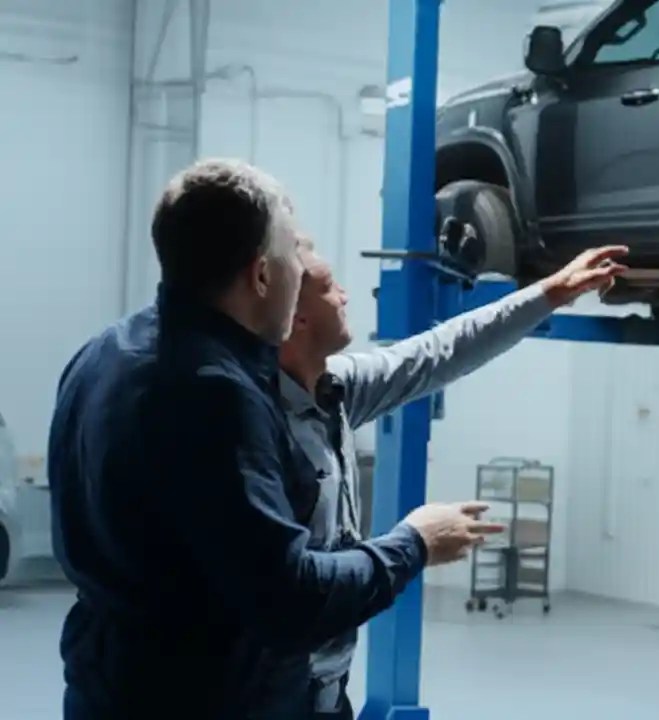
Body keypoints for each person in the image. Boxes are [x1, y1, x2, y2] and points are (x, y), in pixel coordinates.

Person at [46, 158, 504, 719]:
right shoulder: (215, 393)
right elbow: (288, 600)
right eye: (294, 255)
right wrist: (415, 543)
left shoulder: (102, 354)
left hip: (106, 688)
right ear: (262, 276)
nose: (307, 272)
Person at [279, 237, 627, 717]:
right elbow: (291, 589)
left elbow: (440, 352)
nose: (345, 295)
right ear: (295, 317)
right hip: (270, 694)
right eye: (330, 287)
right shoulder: (258, 423)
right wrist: (414, 542)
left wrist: (550, 292)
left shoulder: (334, 388)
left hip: (328, 690)